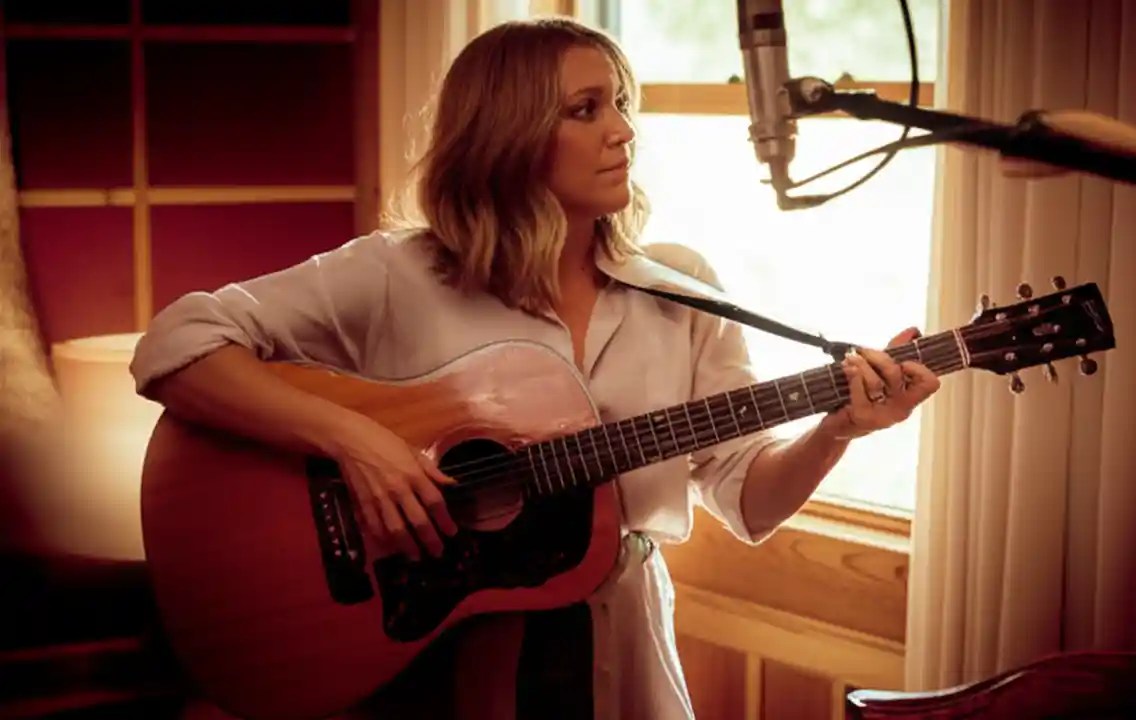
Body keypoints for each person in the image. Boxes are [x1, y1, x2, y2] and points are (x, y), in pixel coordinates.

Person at [130, 15, 940, 720]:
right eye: (586, 110)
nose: (623, 130)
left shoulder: (682, 289)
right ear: (507, 136)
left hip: (622, 650)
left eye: (620, 103)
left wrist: (838, 429)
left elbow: (746, 496)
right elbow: (175, 345)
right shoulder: (397, 276)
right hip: (441, 659)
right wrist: (354, 441)